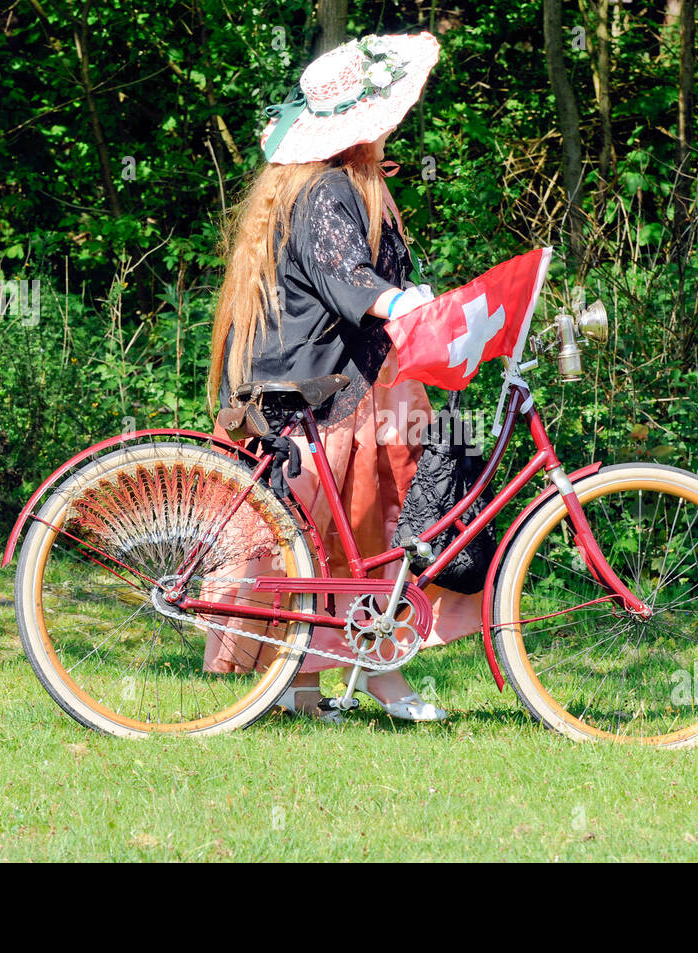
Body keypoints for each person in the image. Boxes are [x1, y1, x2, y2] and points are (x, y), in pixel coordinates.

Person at [203, 32, 481, 722]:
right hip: (329, 391)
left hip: (303, 384)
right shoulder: (329, 187)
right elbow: (346, 278)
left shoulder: (310, 184)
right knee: (366, 536)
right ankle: (380, 673)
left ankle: (303, 686)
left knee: (320, 544)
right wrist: (400, 302)